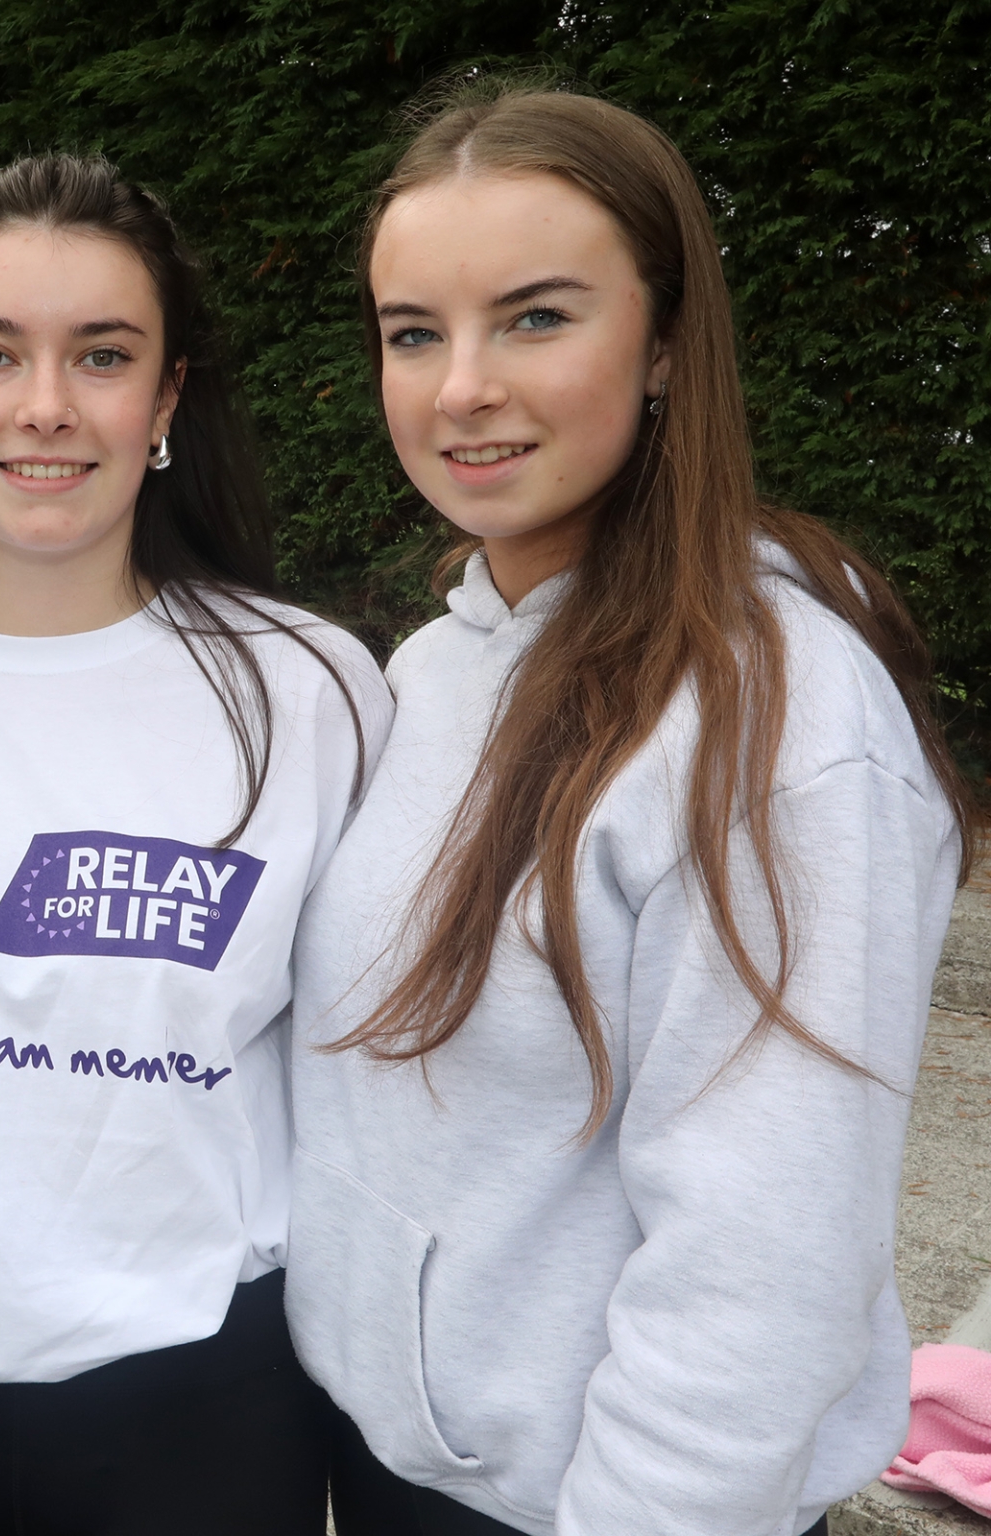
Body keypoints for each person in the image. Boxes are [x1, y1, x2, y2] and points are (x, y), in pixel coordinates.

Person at [286, 82, 980, 1536]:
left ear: (666, 345)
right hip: (396, 1470)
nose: (460, 384)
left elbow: (762, 1264)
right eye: (415, 332)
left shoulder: (774, 716)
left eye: (535, 318)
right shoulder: (425, 668)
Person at [0, 153, 393, 1534]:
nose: (46, 407)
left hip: (203, 1416)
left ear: (166, 399)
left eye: (102, 355)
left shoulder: (317, 693)